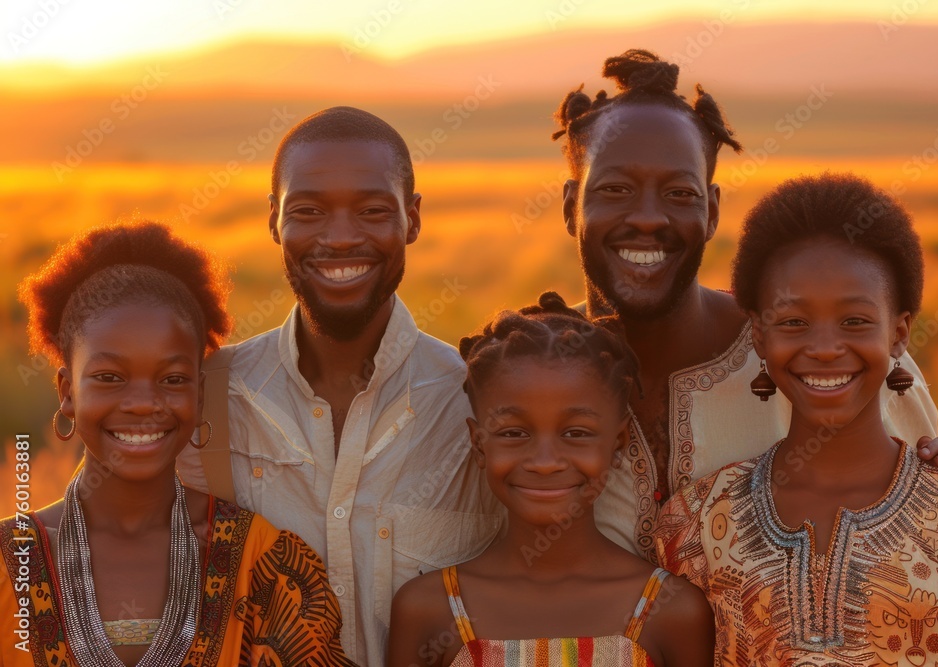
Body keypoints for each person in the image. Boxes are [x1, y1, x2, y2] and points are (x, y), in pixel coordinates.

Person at [551, 48, 938, 560]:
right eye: (615, 188)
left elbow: (929, 548)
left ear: (712, 212)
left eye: (679, 194)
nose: (648, 218)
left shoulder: (824, 355)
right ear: (571, 205)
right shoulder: (518, 371)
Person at [175, 106, 504, 665]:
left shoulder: (480, 407)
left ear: (413, 218)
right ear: (274, 219)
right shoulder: (204, 400)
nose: (342, 238)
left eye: (373, 211)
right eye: (308, 211)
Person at [655, 173, 938, 665]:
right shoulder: (694, 524)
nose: (823, 348)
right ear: (759, 335)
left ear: (899, 332)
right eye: (794, 321)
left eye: (854, 321)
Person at [3, 221, 353, 666]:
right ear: (67, 392)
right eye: (109, 377)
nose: (143, 404)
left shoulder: (264, 566)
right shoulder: (9, 565)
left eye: (172, 379)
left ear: (200, 395)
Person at [388, 292, 713, 667]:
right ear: (478, 444)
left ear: (618, 442)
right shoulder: (429, 610)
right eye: (513, 433)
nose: (544, 463)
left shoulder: (670, 611)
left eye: (576, 433)